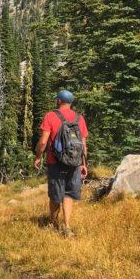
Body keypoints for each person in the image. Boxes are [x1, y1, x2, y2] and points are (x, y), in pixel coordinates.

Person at [34, 90, 88, 237]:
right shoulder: (79, 118)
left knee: (55, 194)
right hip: (75, 163)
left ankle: (53, 223)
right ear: (70, 103)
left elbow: (44, 141)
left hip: (55, 162)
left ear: (58, 101)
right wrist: (83, 164)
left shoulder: (51, 116)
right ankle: (67, 226)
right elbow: (83, 144)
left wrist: (38, 156)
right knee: (69, 193)